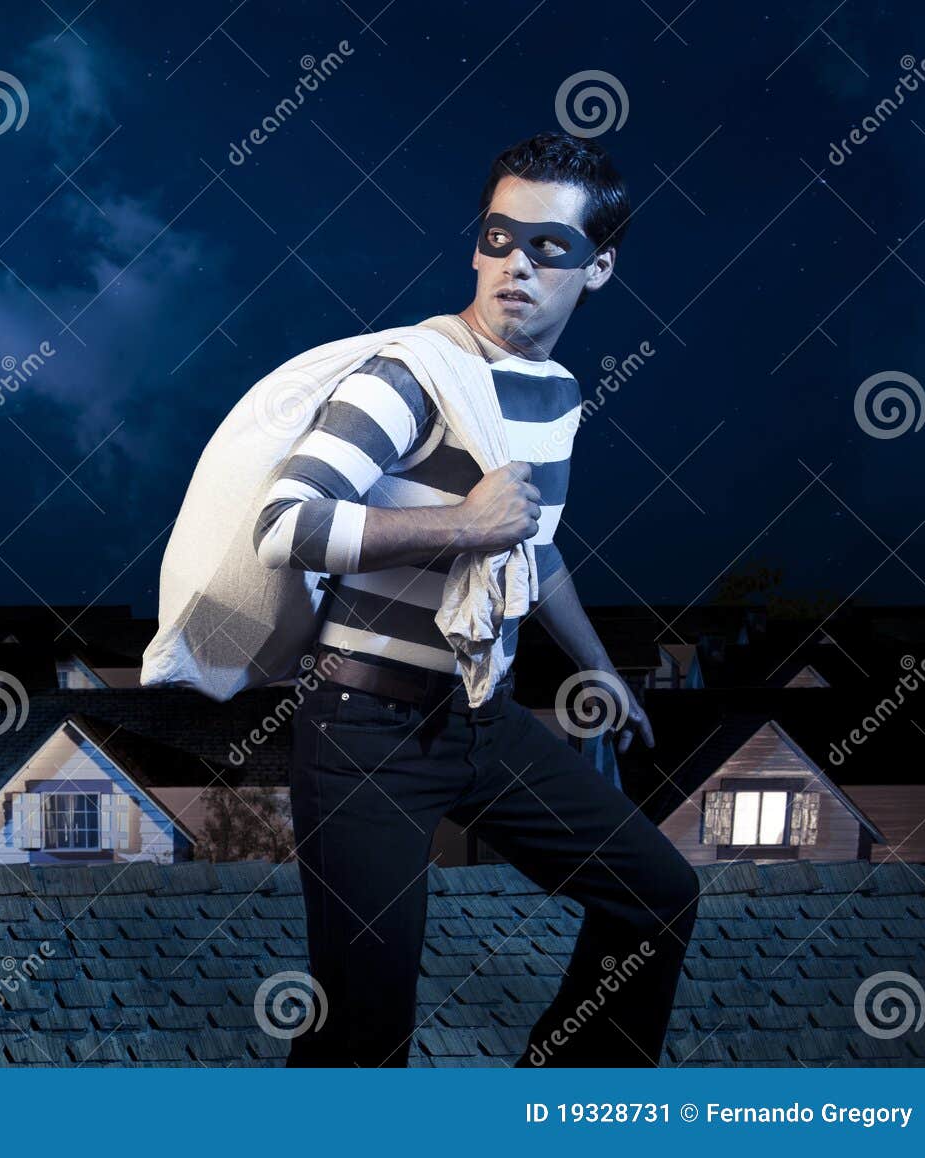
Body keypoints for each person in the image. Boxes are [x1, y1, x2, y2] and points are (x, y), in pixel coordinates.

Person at [255, 131, 699, 1067]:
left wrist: (597, 666)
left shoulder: (558, 391)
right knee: (366, 1031)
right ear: (475, 245)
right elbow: (286, 525)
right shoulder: (412, 375)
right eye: (499, 237)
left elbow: (534, 545)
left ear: (600, 267)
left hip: (480, 720)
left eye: (551, 248)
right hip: (361, 729)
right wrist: (462, 523)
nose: (517, 266)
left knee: (659, 896)